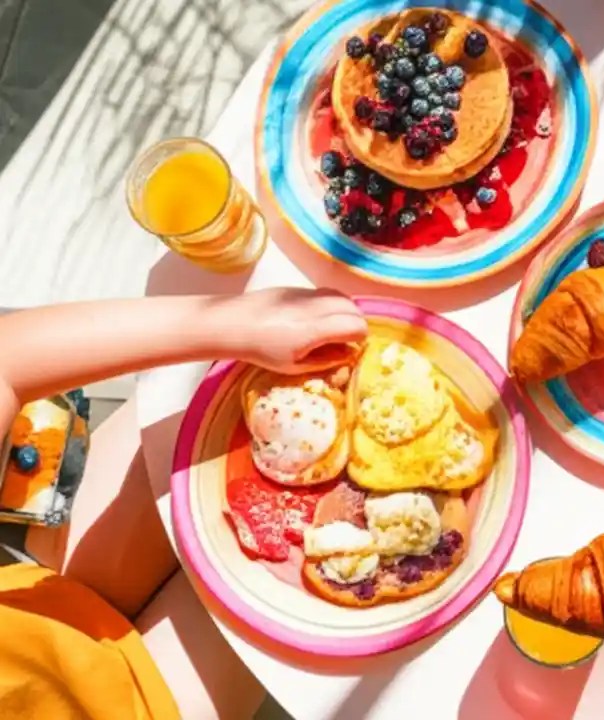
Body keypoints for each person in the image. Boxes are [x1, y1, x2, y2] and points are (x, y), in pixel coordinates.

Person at [0, 288, 369, 720]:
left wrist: (234, 323)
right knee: (321, 569)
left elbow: (8, 362)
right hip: (156, 704)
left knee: (219, 392)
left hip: (41, 605)